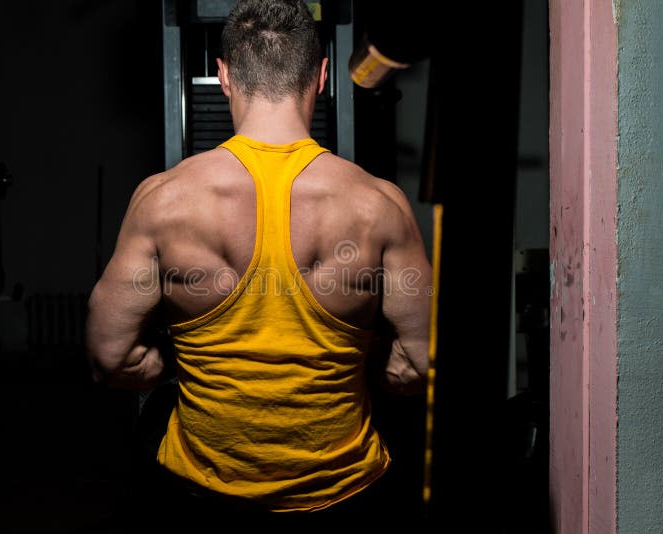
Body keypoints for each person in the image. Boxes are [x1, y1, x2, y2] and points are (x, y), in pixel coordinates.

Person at [85, 0, 431, 524]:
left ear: (223, 76)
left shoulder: (163, 200)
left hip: (201, 496)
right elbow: (418, 365)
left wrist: (197, 365)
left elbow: (110, 360)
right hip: (346, 497)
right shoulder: (377, 205)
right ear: (320, 75)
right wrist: (349, 366)